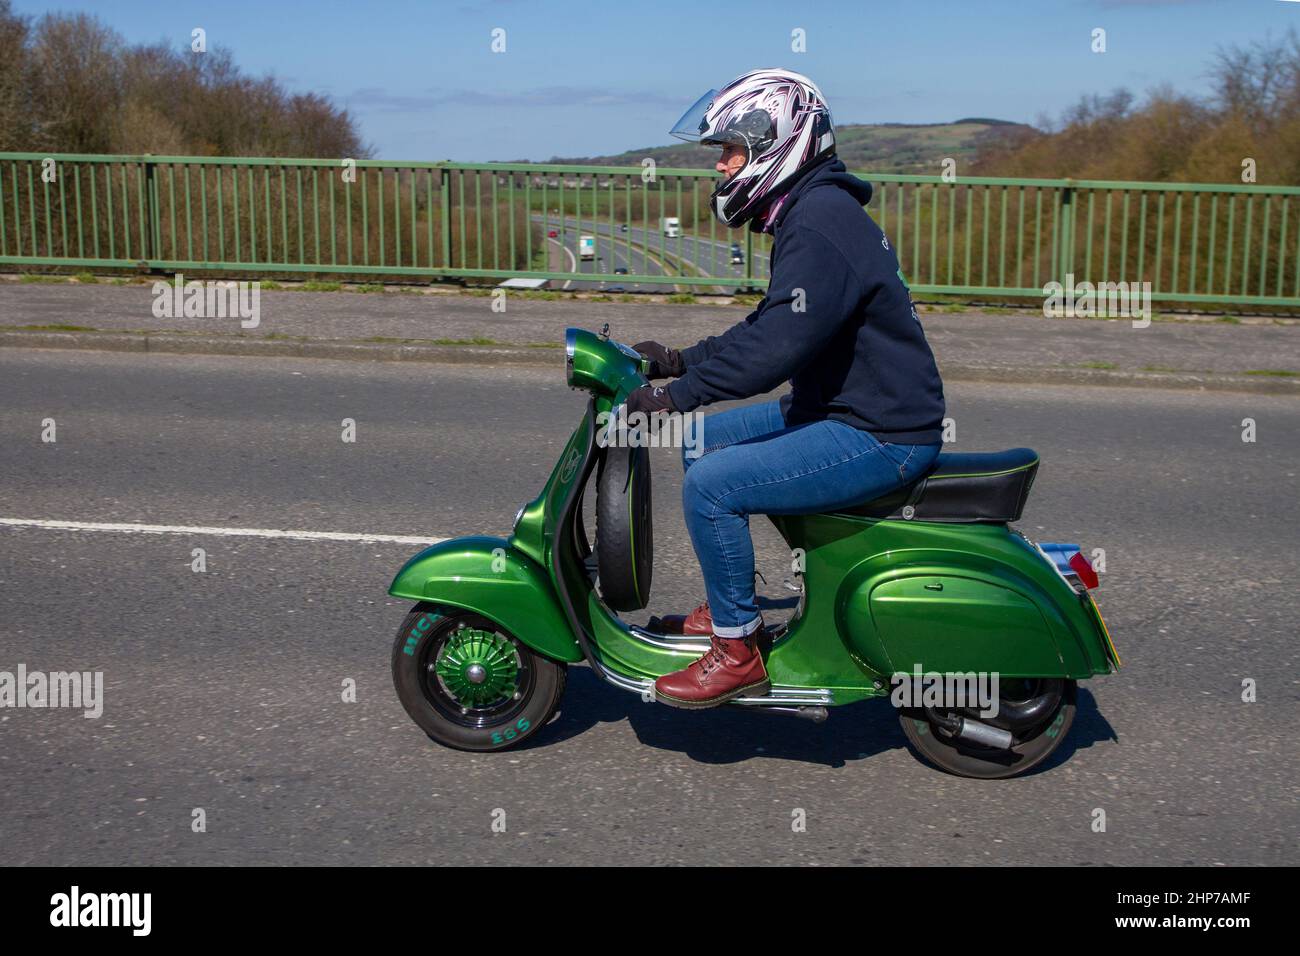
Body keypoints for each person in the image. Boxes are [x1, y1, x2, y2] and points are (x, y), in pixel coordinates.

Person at [621, 68, 947, 709]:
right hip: (840, 411)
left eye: (729, 149)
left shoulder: (820, 224)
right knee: (703, 444)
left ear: (778, 143)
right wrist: (681, 361)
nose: (720, 167)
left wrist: (674, 397)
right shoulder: (814, 212)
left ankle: (738, 650)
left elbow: (774, 352)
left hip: (878, 433)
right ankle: (729, 606)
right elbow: (775, 325)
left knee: (711, 485)